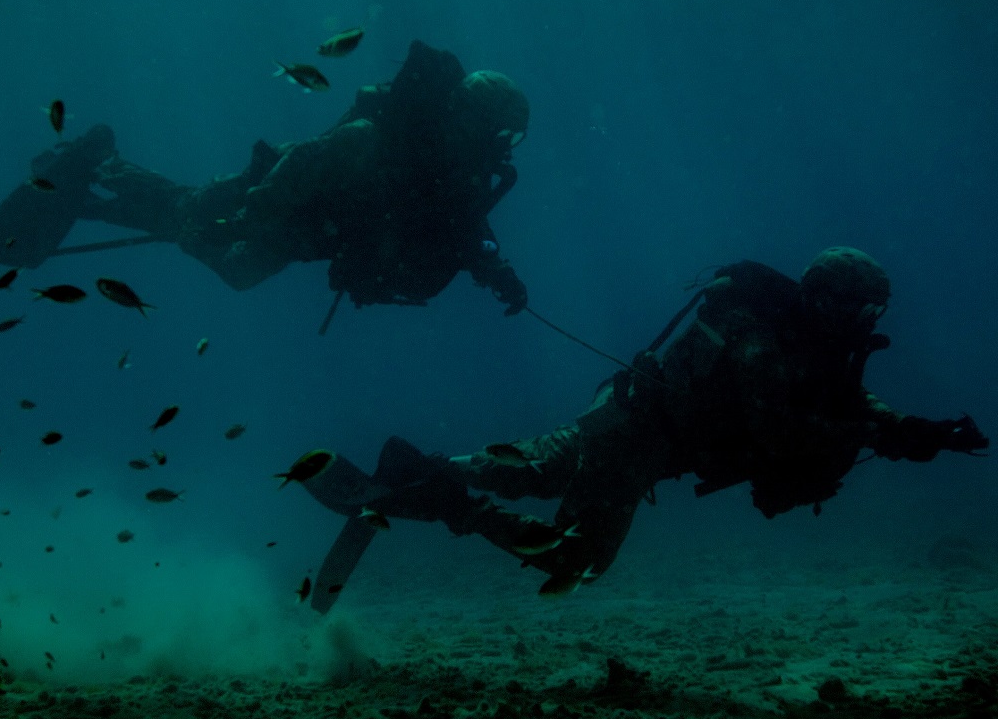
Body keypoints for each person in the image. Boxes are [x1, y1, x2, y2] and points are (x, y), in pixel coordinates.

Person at [305, 247, 989, 609]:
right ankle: (439, 497)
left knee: (530, 470)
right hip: (635, 434)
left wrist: (912, 427)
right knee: (572, 559)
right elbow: (777, 426)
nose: (866, 323)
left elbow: (849, 401)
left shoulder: (814, 341)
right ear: (821, 298)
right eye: (860, 309)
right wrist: (876, 437)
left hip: (633, 420)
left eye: (875, 312)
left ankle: (415, 467)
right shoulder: (756, 332)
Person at [0, 40, 530, 318]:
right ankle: (102, 167)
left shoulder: (451, 167)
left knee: (195, 226)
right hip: (276, 195)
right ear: (474, 118)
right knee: (195, 222)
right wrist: (246, 217)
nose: (501, 147)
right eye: (500, 132)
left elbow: (462, 220)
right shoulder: (380, 139)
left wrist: (495, 269)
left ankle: (96, 185)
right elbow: (305, 165)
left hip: (305, 225)